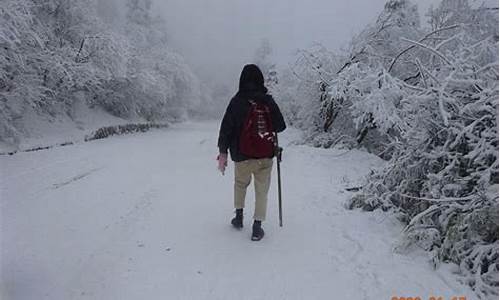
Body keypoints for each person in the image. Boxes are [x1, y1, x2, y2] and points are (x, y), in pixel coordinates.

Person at [216, 64, 286, 241]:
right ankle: (257, 227)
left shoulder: (236, 101)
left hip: (242, 155)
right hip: (265, 156)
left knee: (240, 184)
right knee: (262, 190)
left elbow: (226, 129)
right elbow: (281, 126)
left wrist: (223, 152)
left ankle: (238, 217)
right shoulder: (267, 101)